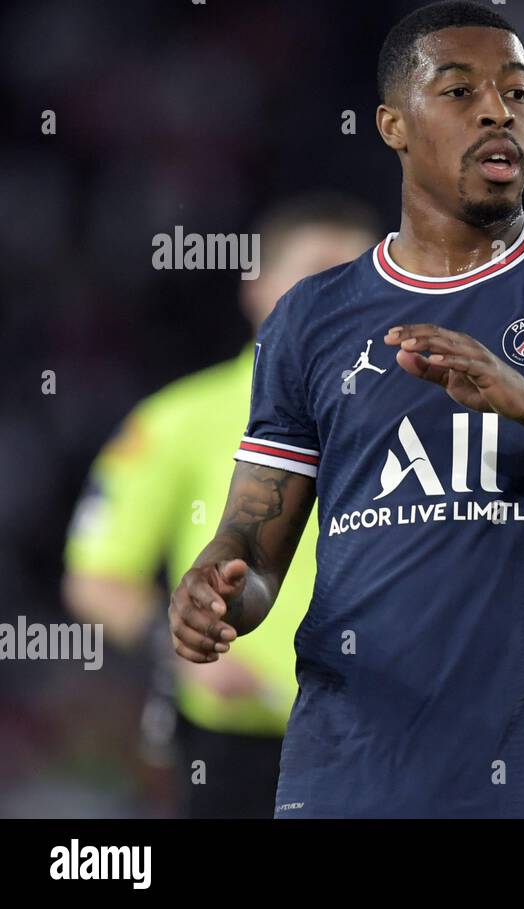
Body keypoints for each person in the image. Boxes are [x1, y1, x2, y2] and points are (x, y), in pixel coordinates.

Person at [170, 0, 524, 818]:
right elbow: (255, 547)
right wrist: (216, 591)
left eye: (518, 91)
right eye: (458, 90)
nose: (496, 109)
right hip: (342, 780)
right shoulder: (309, 318)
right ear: (394, 125)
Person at [63, 194, 381, 817]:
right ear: (257, 288)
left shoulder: (423, 423)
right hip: (236, 741)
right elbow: (97, 577)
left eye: (364, 277)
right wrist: (178, 649)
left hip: (384, 732)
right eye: (319, 271)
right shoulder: (180, 419)